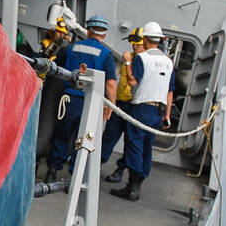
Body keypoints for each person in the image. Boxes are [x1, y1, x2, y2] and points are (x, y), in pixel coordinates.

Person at [44, 14, 117, 183]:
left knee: (62, 135)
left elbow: (58, 70)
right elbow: (111, 83)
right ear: (104, 34)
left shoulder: (71, 47)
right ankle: (75, 178)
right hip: (90, 102)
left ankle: (52, 171)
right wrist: (110, 104)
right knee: (83, 139)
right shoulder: (106, 54)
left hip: (68, 100)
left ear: (88, 30)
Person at [110, 20, 175, 202]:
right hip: (158, 111)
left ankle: (133, 186)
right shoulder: (168, 62)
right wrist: (167, 116)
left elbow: (132, 82)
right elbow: (170, 92)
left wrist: (129, 63)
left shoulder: (142, 58)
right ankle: (139, 182)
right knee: (147, 147)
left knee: (134, 145)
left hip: (141, 108)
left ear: (146, 39)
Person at [103, 28, 146, 183]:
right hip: (120, 103)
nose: (134, 46)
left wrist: (129, 63)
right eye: (133, 43)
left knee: (131, 140)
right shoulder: (128, 57)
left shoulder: (143, 61)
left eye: (138, 43)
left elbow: (133, 81)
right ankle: (96, 162)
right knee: (109, 134)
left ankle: (121, 169)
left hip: (134, 106)